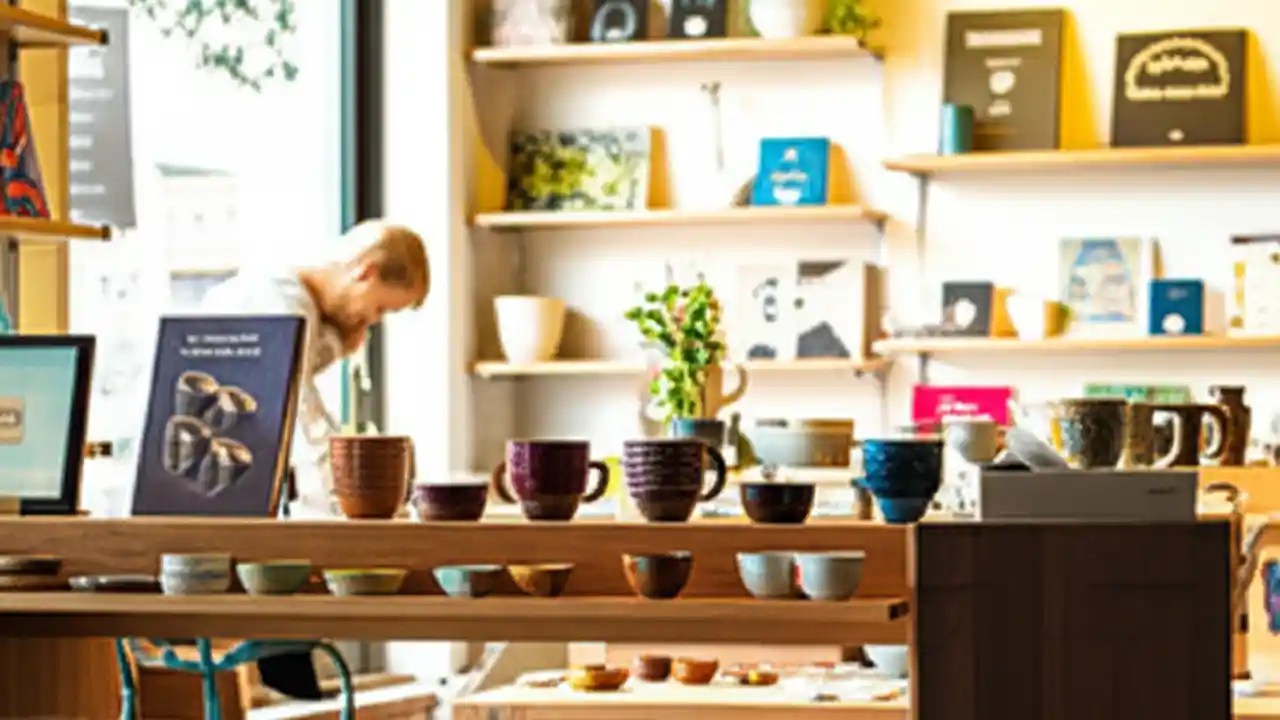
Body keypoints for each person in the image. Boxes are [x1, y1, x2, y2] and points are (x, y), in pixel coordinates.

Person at [200, 219, 429, 699]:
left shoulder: (290, 302)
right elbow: (301, 420)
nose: (373, 322)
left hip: (220, 481)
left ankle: (294, 690)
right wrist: (356, 509)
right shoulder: (283, 308)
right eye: (380, 310)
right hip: (203, 492)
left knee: (284, 600)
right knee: (283, 593)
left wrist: (336, 342)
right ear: (364, 272)